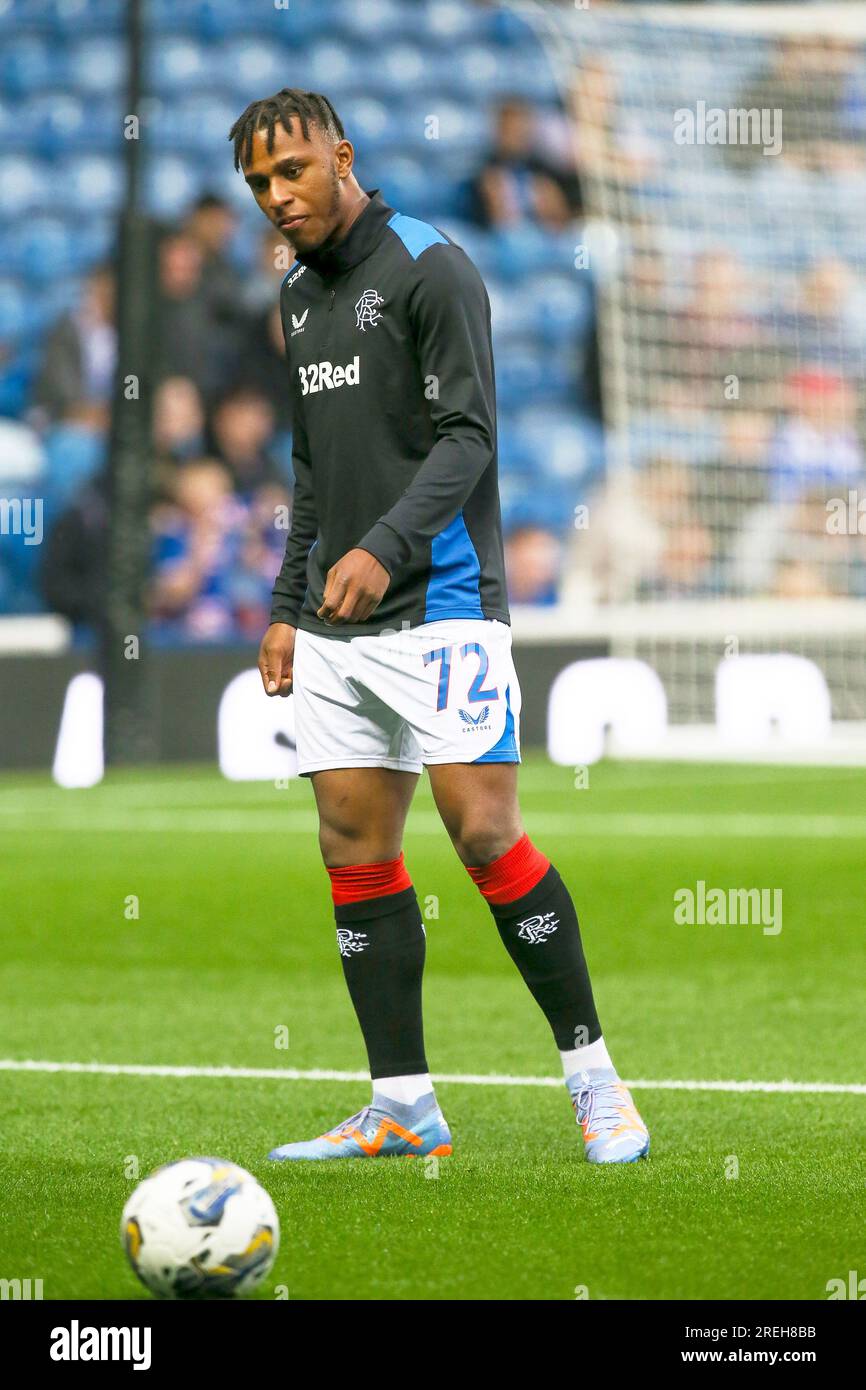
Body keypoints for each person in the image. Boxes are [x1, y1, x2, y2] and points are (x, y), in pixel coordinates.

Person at [230, 87, 650, 1165]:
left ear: (342, 156)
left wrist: (384, 547)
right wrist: (286, 608)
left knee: (483, 833)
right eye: (259, 183)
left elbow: (469, 438)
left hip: (443, 601)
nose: (277, 196)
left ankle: (596, 1080)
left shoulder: (431, 266)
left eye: (292, 171)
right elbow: (312, 467)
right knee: (352, 845)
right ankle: (402, 1105)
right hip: (335, 621)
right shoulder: (297, 296)